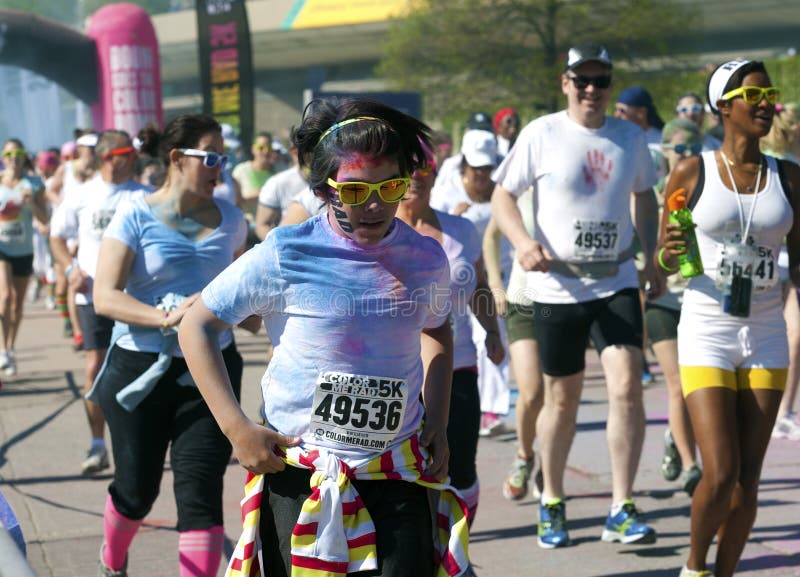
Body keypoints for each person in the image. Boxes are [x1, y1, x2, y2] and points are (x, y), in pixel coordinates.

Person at [179, 98, 470, 577]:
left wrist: (437, 417)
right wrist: (237, 430)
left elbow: (436, 328)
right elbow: (198, 325)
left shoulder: (424, 258)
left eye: (390, 187)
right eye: (355, 191)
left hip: (396, 468)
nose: (375, 204)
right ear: (323, 189)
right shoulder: (285, 253)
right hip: (300, 473)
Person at [491, 42, 662, 549]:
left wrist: (650, 256)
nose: (591, 90)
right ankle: (553, 500)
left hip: (615, 280)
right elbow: (503, 195)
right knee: (561, 400)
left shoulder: (630, 137)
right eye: (581, 80)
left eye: (600, 81)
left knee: (628, 384)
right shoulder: (541, 133)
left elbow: (645, 195)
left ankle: (622, 506)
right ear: (565, 83)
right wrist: (522, 244)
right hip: (556, 285)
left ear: (610, 85)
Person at [657, 59, 800, 577]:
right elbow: (666, 257)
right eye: (754, 95)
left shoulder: (789, 176)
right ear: (724, 106)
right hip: (707, 329)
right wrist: (669, 252)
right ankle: (694, 567)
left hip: (765, 331)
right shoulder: (691, 171)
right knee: (720, 473)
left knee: (748, 480)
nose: (767, 104)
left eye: (771, 94)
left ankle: (725, 573)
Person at [90, 114, 249, 577]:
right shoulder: (135, 214)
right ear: (178, 159)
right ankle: (112, 560)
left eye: (226, 157)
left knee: (200, 493)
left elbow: (247, 297)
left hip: (212, 371)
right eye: (212, 157)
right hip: (138, 370)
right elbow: (105, 296)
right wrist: (169, 318)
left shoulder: (233, 219)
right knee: (136, 491)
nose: (222, 167)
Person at [396, 139, 504, 526]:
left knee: (461, 466)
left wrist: (491, 330)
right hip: (398, 373)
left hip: (457, 364)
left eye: (423, 168)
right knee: (409, 473)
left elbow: (478, 285)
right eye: (406, 170)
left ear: (436, 174)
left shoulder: (462, 229)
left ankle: (455, 554)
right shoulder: (379, 230)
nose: (415, 178)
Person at [50, 130, 151, 475]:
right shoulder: (82, 195)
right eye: (127, 152)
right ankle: (97, 443)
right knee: (95, 365)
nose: (134, 158)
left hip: (135, 298)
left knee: (139, 367)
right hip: (91, 294)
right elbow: (56, 236)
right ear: (110, 157)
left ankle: (136, 442)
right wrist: (70, 268)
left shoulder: (144, 195)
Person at [646, 118, 703, 496]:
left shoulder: (710, 191)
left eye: (690, 149)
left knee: (700, 385)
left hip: (700, 298)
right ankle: (691, 464)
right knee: (678, 382)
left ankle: (674, 434)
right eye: (676, 149)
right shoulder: (648, 194)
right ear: (664, 151)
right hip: (662, 300)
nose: (683, 156)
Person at [483, 190, 545, 501]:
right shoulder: (520, 187)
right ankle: (524, 455)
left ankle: (550, 464)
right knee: (532, 391)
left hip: (568, 301)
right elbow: (491, 237)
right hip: (524, 300)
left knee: (559, 395)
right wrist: (496, 286)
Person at [761, 102, 800, 440]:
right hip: (772, 262)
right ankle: (774, 411)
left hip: (787, 262)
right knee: (778, 337)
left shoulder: (791, 163)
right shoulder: (776, 164)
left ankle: (783, 412)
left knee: (793, 336)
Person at [0, 139, 48, 375]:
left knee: (17, 304)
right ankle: (2, 349)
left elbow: (45, 217)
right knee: (5, 296)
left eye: (18, 153)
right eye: (9, 153)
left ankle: (10, 348)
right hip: (2, 249)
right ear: (3, 157)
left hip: (24, 250)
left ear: (24, 156)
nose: (14, 158)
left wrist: (32, 204)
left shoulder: (34, 183)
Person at [47, 131, 97, 347]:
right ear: (80, 150)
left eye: (95, 148)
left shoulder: (99, 173)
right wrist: (63, 205)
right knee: (71, 282)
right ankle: (78, 331)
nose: (92, 153)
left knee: (88, 280)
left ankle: (87, 329)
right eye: (88, 149)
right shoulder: (66, 169)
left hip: (88, 233)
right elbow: (51, 191)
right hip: (67, 230)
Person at [253, 144, 308, 239]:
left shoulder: (337, 180)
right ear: (294, 152)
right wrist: (280, 248)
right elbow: (262, 225)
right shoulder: (276, 183)